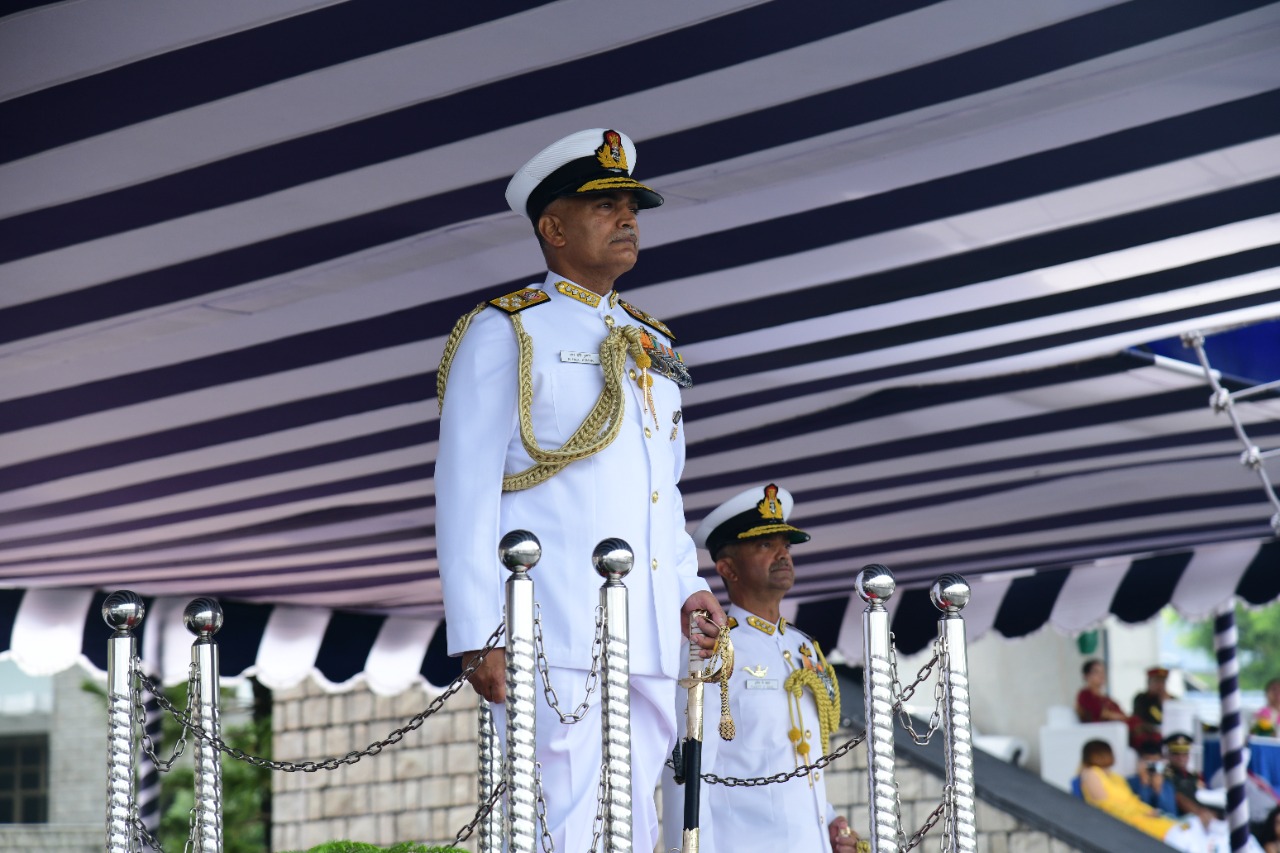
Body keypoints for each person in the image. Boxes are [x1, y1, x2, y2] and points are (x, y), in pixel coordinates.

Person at [435, 127, 725, 850]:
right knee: (560, 828)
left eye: (632, 204)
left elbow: (665, 489)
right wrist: (478, 632)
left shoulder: (652, 341)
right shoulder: (507, 331)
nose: (627, 217)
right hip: (556, 630)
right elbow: (464, 486)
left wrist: (688, 583)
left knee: (623, 829)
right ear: (552, 226)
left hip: (652, 632)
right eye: (605, 205)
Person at [660, 483, 863, 852]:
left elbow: (797, 768)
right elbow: (685, 770)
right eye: (765, 546)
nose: (783, 555)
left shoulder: (804, 648)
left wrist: (829, 820)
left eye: (785, 545)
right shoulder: (710, 647)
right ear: (728, 568)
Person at [1129, 740, 1177, 815]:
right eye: (1148, 762)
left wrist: (1159, 791)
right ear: (1140, 761)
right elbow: (1137, 810)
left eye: (1155, 762)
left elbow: (1171, 814)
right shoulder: (1130, 783)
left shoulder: (1167, 786)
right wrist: (1143, 785)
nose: (1151, 767)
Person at [1165, 732, 1206, 816]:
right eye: (1176, 754)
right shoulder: (1165, 776)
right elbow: (1177, 798)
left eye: (1185, 754)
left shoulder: (1194, 776)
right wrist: (1199, 813)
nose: (1181, 758)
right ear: (1169, 755)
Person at [1133, 667, 1172, 750]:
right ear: (1149, 683)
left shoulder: (1171, 700)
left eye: (1163, 682)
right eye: (1157, 682)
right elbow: (1140, 720)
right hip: (1148, 740)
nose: (1160, 685)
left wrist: (1166, 704)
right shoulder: (1142, 699)